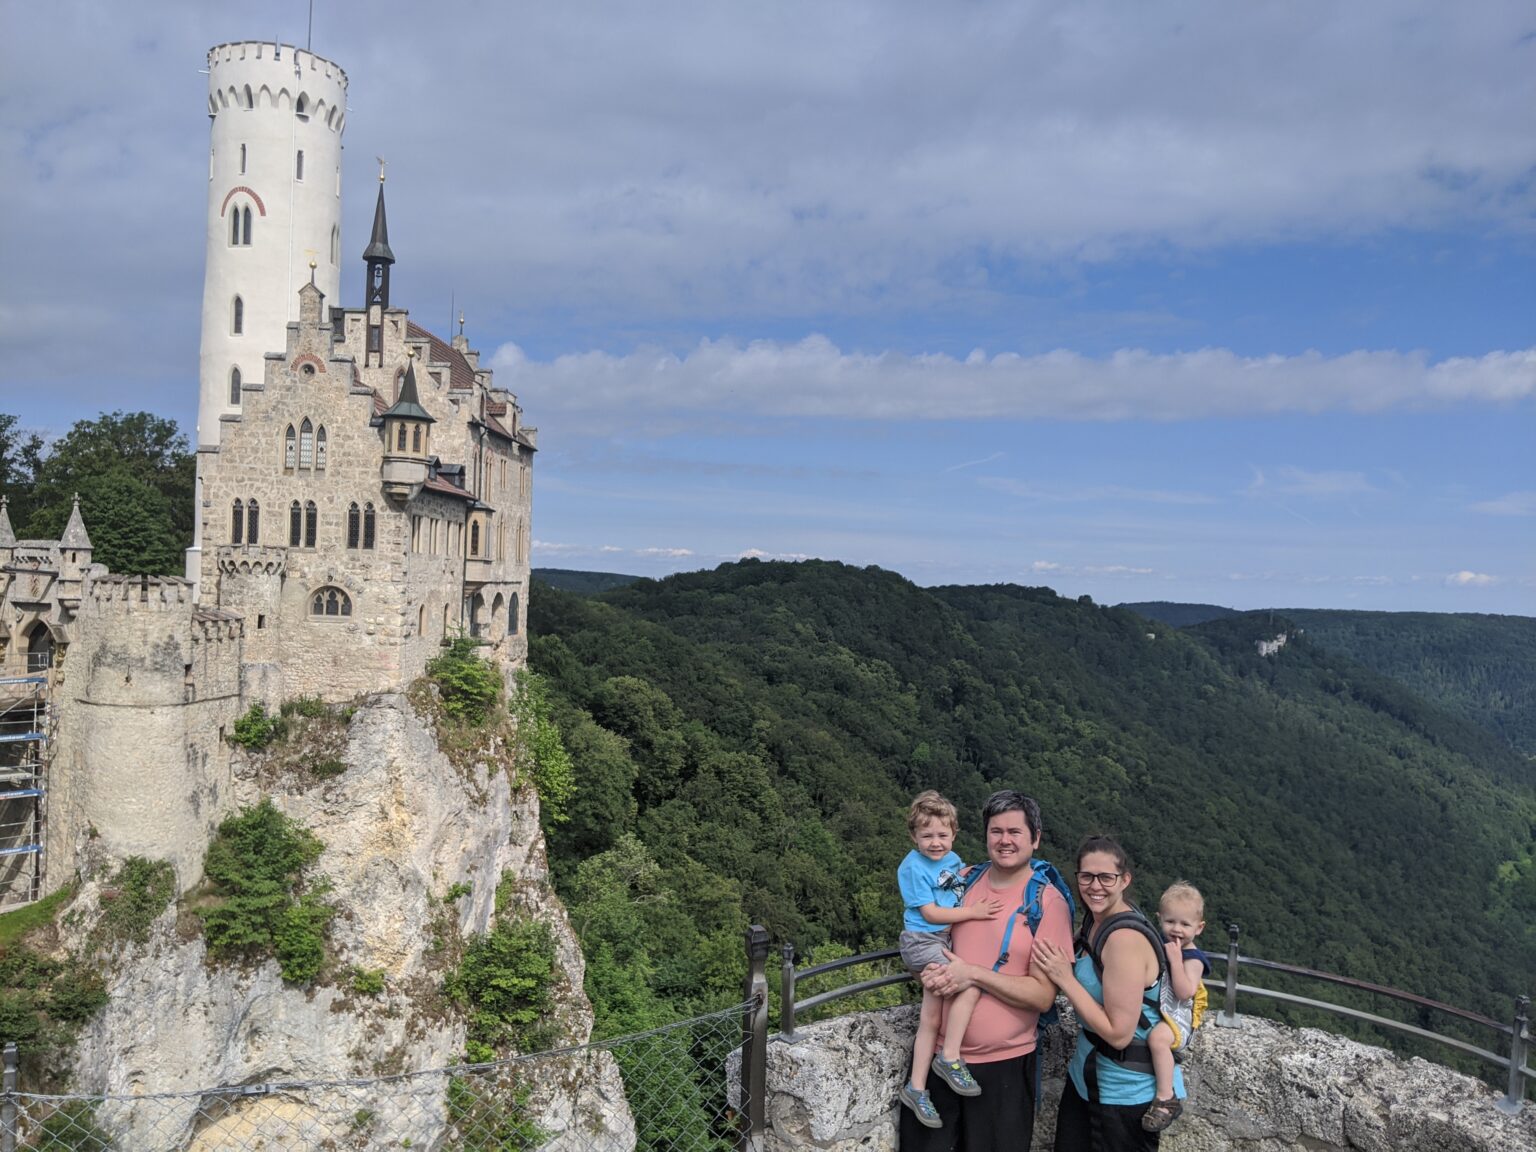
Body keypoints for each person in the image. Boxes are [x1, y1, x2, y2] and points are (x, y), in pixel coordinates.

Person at [899, 791, 1073, 1152]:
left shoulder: (1047, 904)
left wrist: (974, 975)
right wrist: (930, 975)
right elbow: (923, 938)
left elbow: (1043, 996)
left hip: (1003, 1068)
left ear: (1035, 839)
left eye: (1015, 832)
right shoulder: (961, 880)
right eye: (996, 831)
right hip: (938, 1061)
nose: (1005, 840)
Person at [1034, 836, 1185, 1151]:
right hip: (1087, 1080)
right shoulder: (1094, 921)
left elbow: (1119, 1034)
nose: (1095, 886)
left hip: (1124, 1095)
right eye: (1086, 876)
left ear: (1124, 879)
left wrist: (1066, 979)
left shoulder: (1124, 941)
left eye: (1106, 877)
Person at [897, 791, 1003, 1128]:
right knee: (970, 983)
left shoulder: (953, 859)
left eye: (943, 835)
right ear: (914, 837)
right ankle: (949, 1058)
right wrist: (973, 913)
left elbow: (957, 882)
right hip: (923, 941)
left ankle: (916, 1089)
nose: (935, 842)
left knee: (930, 1017)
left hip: (941, 939)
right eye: (927, 835)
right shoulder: (912, 867)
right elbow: (928, 912)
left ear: (954, 834)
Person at [1141, 882, 1209, 1132]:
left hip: (1179, 1016)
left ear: (1199, 928)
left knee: (1158, 1039)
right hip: (1163, 1007)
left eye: (1185, 924)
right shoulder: (1162, 942)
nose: (1176, 929)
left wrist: (1175, 959)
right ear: (1159, 919)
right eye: (1170, 922)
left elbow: (1184, 992)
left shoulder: (1193, 958)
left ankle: (1165, 1097)